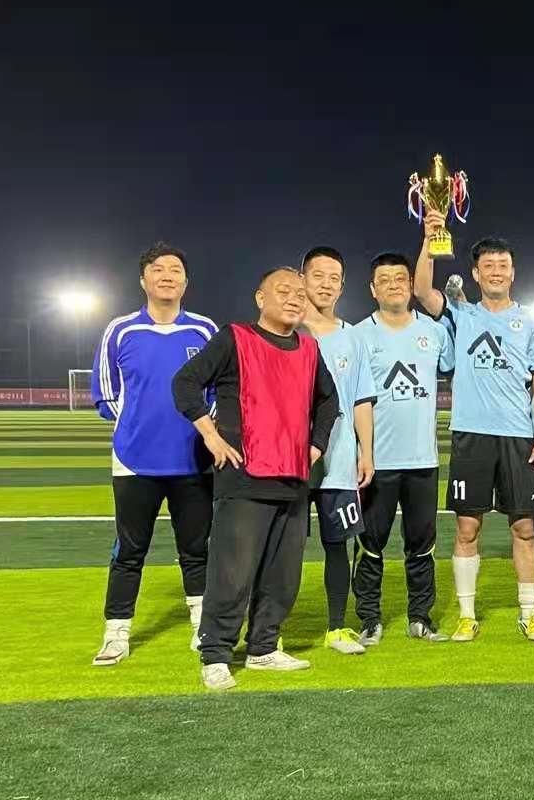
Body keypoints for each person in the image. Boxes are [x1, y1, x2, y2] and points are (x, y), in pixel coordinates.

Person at [172, 267, 340, 690]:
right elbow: (185, 382)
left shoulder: (308, 347)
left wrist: (316, 444)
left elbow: (329, 399)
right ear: (260, 298)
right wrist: (210, 435)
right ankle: (215, 654)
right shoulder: (235, 338)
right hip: (244, 477)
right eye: (283, 291)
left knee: (283, 575)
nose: (294, 298)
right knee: (232, 573)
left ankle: (263, 647)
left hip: (294, 478)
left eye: (300, 293)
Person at [413, 213, 534, 642]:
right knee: (467, 527)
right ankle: (467, 615)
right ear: (475, 273)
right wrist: (429, 239)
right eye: (488, 265)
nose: (496, 271)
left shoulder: (532, 324)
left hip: (516, 435)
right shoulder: (461, 314)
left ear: (513, 272)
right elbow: (422, 291)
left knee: (524, 528)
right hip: (471, 434)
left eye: (503, 265)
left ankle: (528, 614)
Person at [88, 242, 217, 666]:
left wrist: (204, 432)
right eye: (158, 269)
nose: (167, 275)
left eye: (175, 269)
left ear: (186, 281)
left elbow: (219, 391)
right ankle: (116, 633)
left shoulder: (204, 330)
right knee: (129, 550)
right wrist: (138, 427)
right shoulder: (121, 330)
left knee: (196, 549)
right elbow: (106, 393)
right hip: (134, 461)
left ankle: (203, 627)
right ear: (143, 279)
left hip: (193, 461)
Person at [353, 252, 455, 646]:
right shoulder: (360, 335)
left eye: (400, 278)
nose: (393, 284)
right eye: (385, 279)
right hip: (375, 462)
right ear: (372, 288)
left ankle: (420, 618)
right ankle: (369, 619)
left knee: (422, 545)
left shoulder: (434, 332)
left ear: (411, 284)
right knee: (370, 545)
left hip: (423, 461)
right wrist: (362, 452)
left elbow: (457, 364)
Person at [301, 246, 377, 654]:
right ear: (302, 279)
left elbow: (362, 400)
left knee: (338, 545)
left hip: (340, 457)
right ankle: (270, 630)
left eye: (334, 278)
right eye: (318, 275)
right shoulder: (286, 332)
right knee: (283, 547)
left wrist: (367, 452)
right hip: (291, 458)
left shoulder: (354, 338)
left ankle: (337, 627)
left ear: (343, 286)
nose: (326, 284)